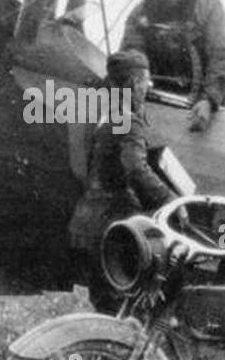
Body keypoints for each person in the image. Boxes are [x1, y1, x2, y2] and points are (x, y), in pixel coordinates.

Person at [68, 49, 176, 311]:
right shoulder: (129, 121)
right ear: (132, 83)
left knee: (105, 306)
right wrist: (172, 201)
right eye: (144, 83)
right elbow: (135, 168)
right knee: (125, 307)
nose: (146, 89)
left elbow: (82, 167)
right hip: (115, 228)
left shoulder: (105, 116)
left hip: (87, 223)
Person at [121, 0, 225, 132]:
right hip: (154, 99)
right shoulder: (140, 14)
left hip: (199, 103)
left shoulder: (209, 6)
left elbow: (222, 56)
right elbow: (131, 51)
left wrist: (209, 100)